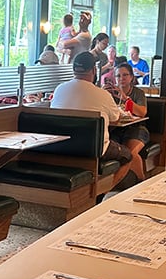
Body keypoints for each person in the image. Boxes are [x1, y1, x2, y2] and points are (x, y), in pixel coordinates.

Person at [50, 51, 140, 188]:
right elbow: (115, 119)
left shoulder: (59, 89)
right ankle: (101, 194)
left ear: (74, 69)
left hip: (60, 146)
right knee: (127, 156)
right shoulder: (102, 94)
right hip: (92, 147)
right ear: (93, 70)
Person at [108, 62, 150, 181]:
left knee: (130, 153)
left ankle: (141, 182)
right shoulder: (110, 94)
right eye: (118, 76)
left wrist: (126, 98)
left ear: (131, 77)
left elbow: (142, 112)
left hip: (137, 129)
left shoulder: (138, 93)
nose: (121, 78)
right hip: (116, 129)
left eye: (125, 75)